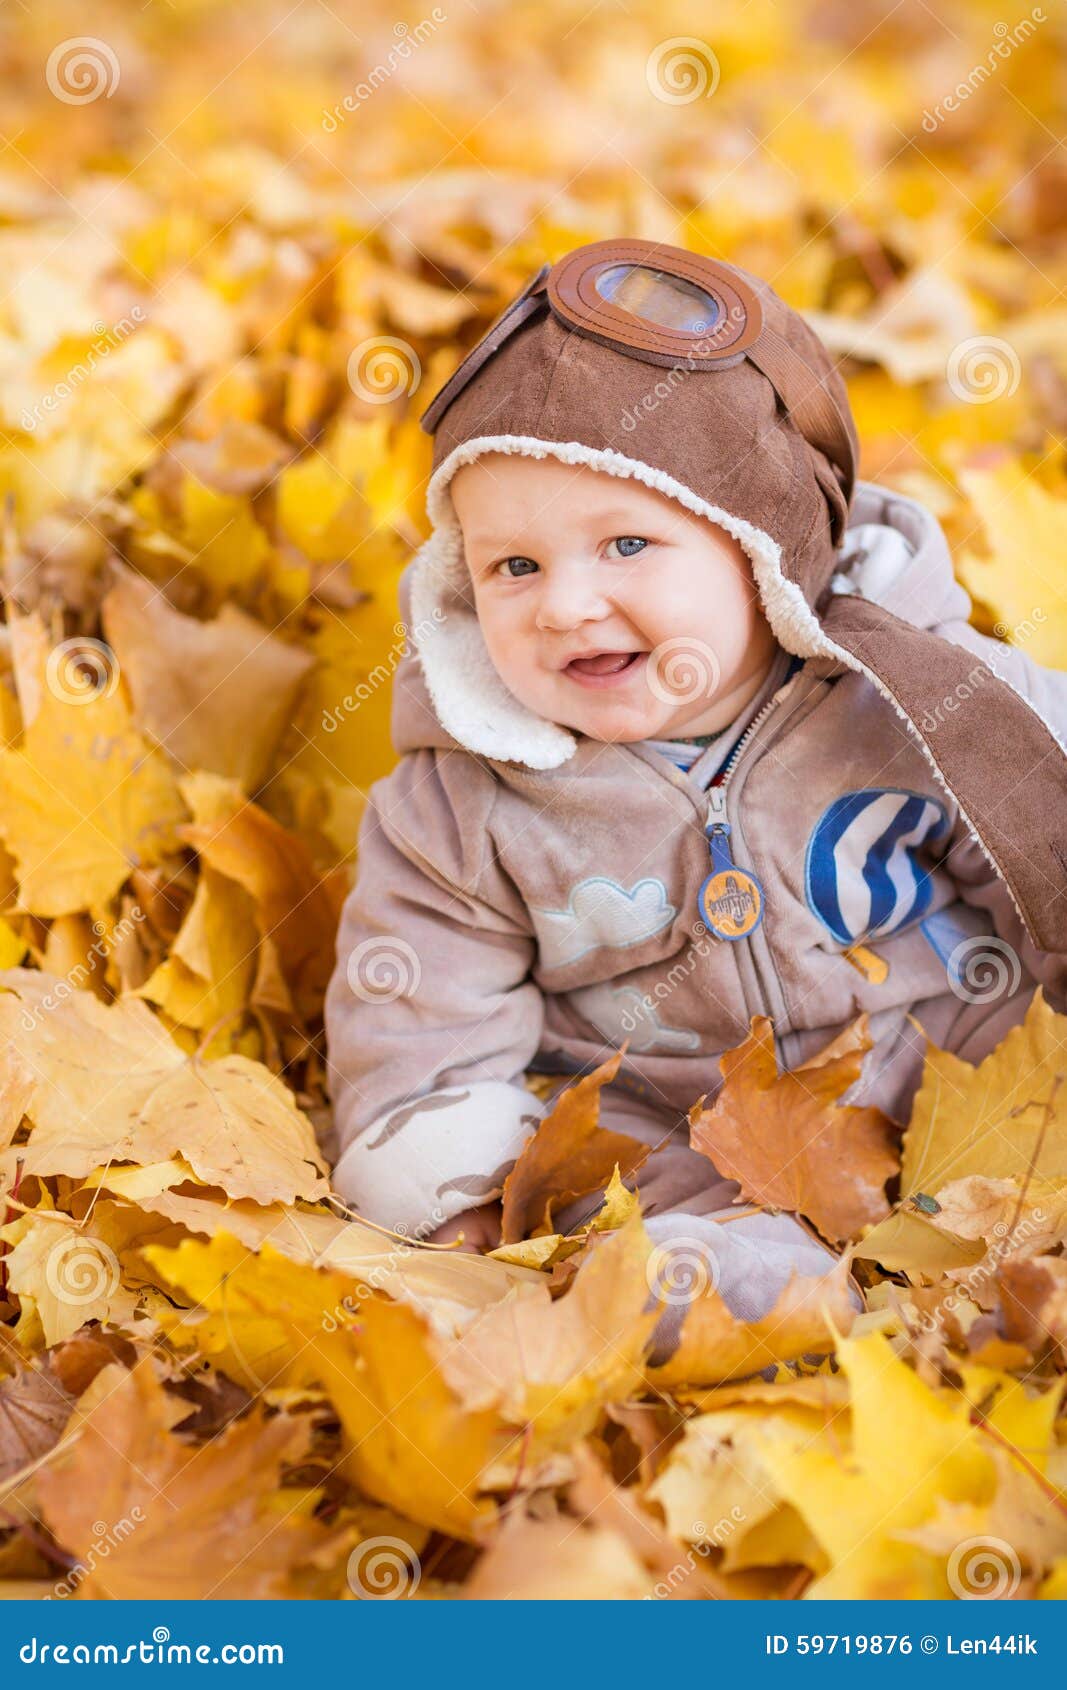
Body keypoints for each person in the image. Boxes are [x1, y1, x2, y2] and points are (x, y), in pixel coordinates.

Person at [323, 238, 1067, 1350]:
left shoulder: (903, 692)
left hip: (944, 1040)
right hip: (679, 1114)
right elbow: (420, 998)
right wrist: (452, 1169)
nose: (566, 604)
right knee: (630, 1206)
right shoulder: (465, 797)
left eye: (626, 543)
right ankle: (747, 1287)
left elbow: (1038, 824)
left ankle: (1007, 1214)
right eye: (512, 567)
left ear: (759, 550)